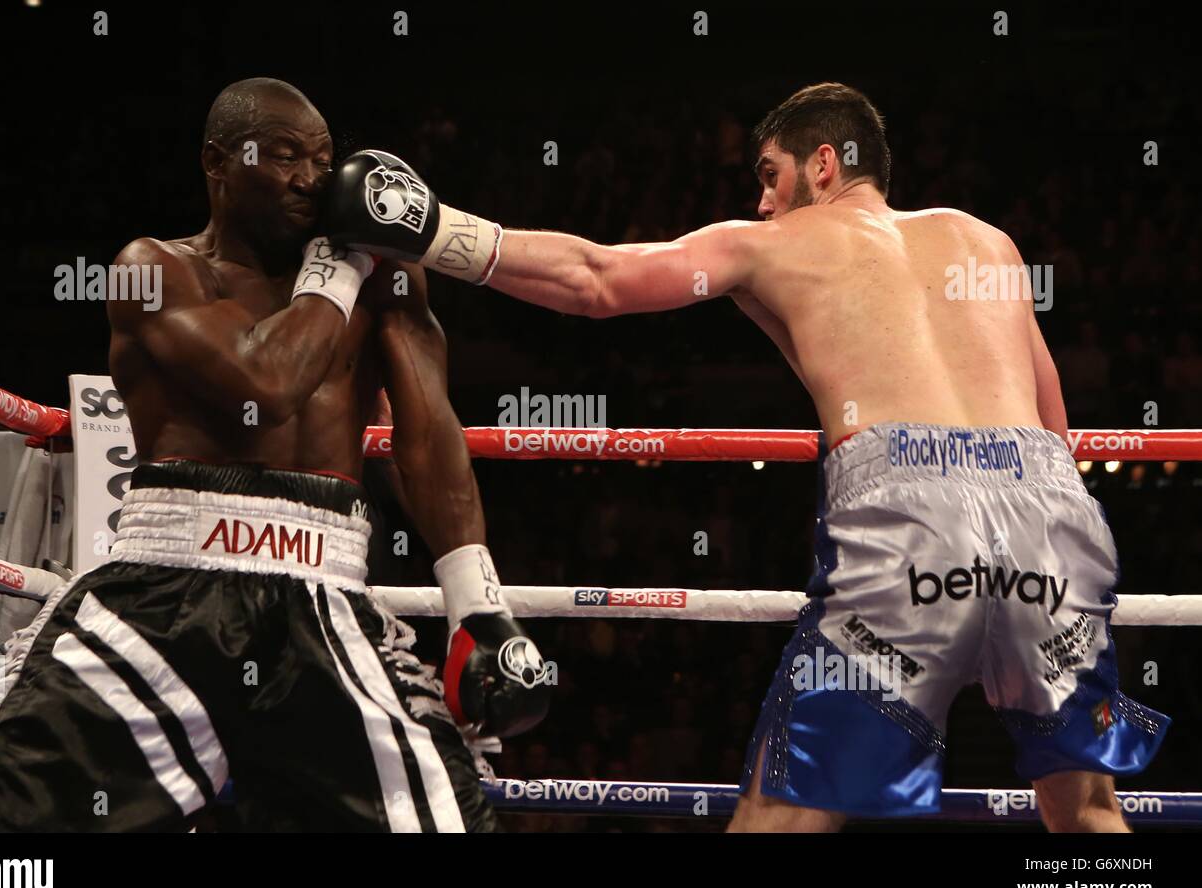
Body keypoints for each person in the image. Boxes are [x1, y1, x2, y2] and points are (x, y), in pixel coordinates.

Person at [322, 82, 1168, 832]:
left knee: (778, 807)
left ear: (826, 164)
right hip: (1050, 514)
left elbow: (598, 279)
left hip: (914, 509)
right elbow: (1055, 427)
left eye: (770, 174)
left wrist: (434, 230)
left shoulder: (776, 245)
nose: (763, 203)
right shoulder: (989, 244)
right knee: (1086, 810)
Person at [0, 78, 548, 832]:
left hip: (322, 591)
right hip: (162, 588)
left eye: (321, 158)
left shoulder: (388, 280)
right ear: (217, 161)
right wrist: (339, 266)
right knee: (2, 843)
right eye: (282, 157)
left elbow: (428, 433)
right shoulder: (156, 269)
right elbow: (266, 382)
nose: (312, 178)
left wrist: (478, 603)